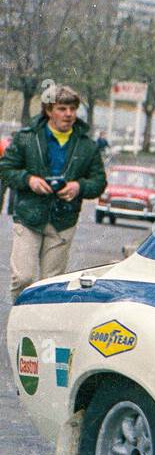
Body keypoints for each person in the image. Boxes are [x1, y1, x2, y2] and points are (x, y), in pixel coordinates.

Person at [0, 83, 106, 301]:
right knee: (23, 277)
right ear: (48, 111)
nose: (68, 114)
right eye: (62, 109)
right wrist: (28, 180)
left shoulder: (87, 145)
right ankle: (21, 324)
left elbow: (99, 182)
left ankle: (40, 329)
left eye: (73, 109)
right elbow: (6, 169)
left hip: (63, 220)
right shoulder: (27, 137)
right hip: (29, 215)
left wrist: (79, 187)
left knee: (52, 283)